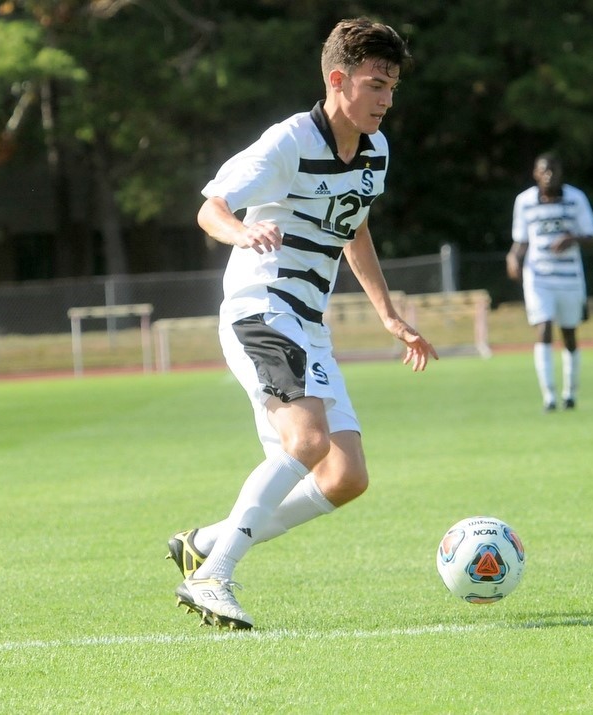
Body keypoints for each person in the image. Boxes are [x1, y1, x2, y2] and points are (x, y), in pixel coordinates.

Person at [167, 17, 438, 630]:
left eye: (393, 87)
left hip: (308, 323)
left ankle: (206, 543)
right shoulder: (289, 141)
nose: (387, 101)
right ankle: (213, 576)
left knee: (345, 477)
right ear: (338, 80)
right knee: (307, 442)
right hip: (260, 305)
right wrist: (244, 230)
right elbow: (211, 208)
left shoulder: (376, 151)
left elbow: (355, 226)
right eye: (375, 85)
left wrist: (390, 316)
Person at [506, 153, 593, 411]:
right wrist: (513, 258)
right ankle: (548, 396)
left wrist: (572, 239)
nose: (549, 175)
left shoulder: (576, 198)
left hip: (570, 277)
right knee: (543, 328)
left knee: (569, 334)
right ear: (535, 174)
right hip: (538, 277)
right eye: (544, 171)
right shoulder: (524, 201)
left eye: (554, 171)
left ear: (561, 173)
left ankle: (570, 393)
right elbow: (521, 239)